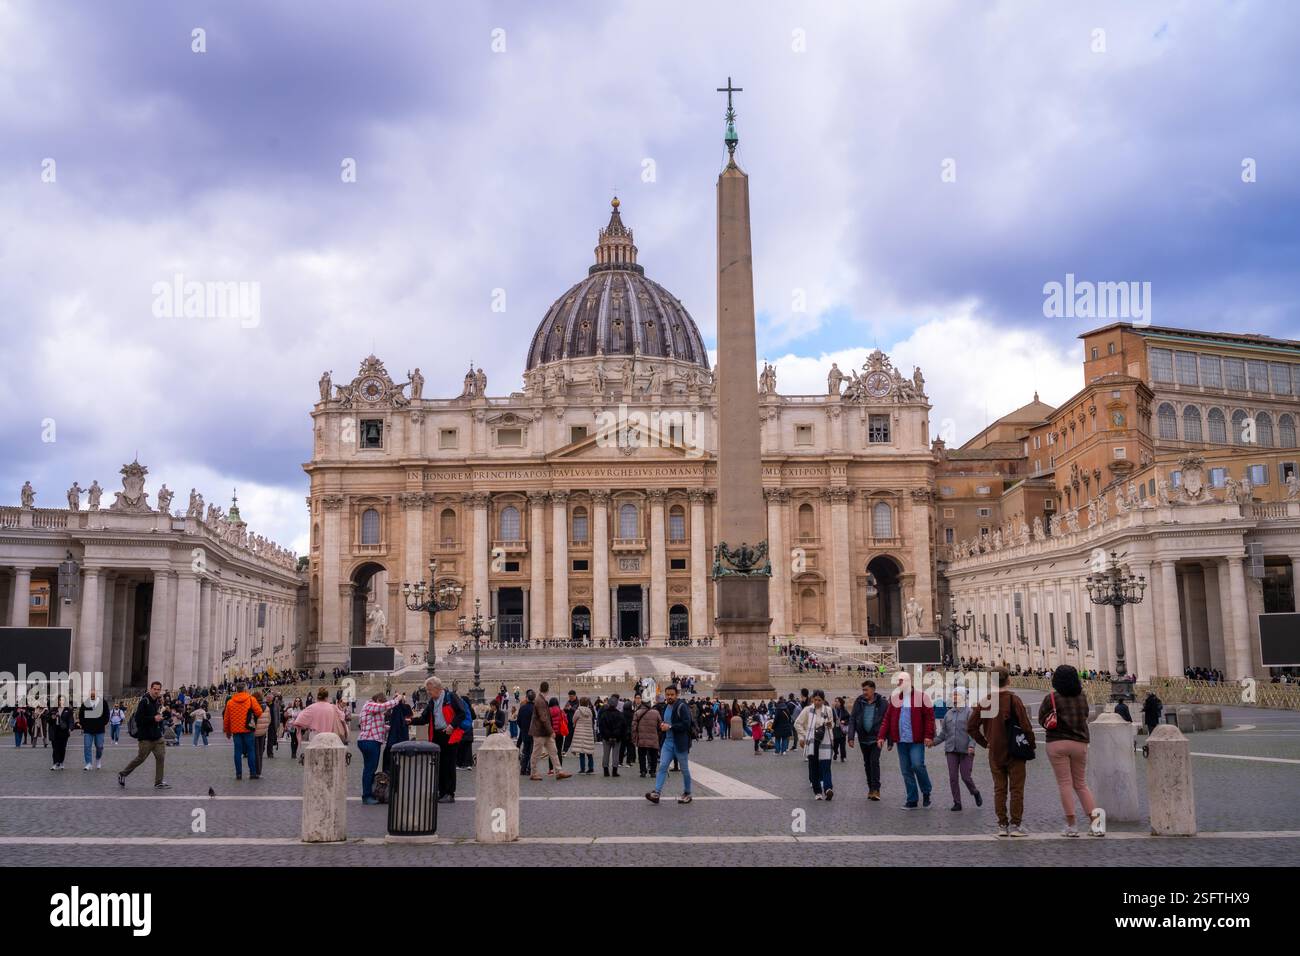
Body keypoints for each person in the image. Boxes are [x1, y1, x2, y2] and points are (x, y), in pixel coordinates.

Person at [968, 667, 1035, 837]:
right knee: (1016, 789)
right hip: (1015, 750)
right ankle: (1015, 825)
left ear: (992, 681)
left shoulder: (985, 701)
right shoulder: (1014, 700)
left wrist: (985, 743)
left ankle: (1002, 825)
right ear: (1009, 680)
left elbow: (971, 727)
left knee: (999, 789)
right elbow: (1026, 726)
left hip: (995, 751)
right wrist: (1031, 745)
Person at [1038, 665, 1103, 837]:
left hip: (1057, 743)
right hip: (1079, 743)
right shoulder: (1082, 698)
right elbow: (1085, 715)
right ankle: (1096, 825)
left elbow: (1041, 719)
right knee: (1081, 784)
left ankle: (1072, 826)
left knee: (1065, 784)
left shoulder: (1051, 697)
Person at [409, 676, 473, 802]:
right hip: (437, 735)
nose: (428, 693)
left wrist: (452, 725)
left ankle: (449, 793)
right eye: (427, 690)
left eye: (429, 690)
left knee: (449, 765)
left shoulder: (451, 697)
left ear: (438, 688)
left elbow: (461, 713)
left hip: (450, 734)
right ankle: (441, 791)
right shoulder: (432, 702)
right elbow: (424, 718)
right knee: (439, 765)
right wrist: (410, 721)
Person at [877, 675, 935, 809]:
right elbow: (887, 719)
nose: (898, 683)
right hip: (901, 740)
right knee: (906, 771)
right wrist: (881, 736)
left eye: (901, 681)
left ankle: (926, 792)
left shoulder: (922, 697)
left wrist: (928, 736)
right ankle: (912, 799)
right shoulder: (895, 699)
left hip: (917, 740)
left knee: (917, 765)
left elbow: (929, 718)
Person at [928, 686, 981, 811]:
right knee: (953, 777)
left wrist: (971, 746)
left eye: (957, 695)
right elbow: (944, 734)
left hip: (966, 750)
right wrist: (933, 742)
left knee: (966, 776)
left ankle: (975, 792)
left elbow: (973, 733)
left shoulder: (970, 713)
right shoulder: (948, 714)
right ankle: (957, 802)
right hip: (951, 750)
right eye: (954, 695)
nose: (954, 697)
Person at [117, 681, 172, 790]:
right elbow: (138, 719)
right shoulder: (144, 701)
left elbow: (160, 716)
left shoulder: (157, 702)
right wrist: (153, 718)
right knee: (140, 758)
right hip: (145, 737)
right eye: (154, 689)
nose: (156, 691)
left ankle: (158, 782)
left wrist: (163, 716)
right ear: (150, 689)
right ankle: (123, 774)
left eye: (158, 689)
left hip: (157, 736)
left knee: (161, 757)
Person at [646, 685, 693, 804]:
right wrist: (662, 725)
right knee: (662, 767)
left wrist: (670, 727)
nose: (669, 697)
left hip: (680, 743)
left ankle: (687, 793)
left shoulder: (682, 706)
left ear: (676, 694)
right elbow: (665, 722)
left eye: (672, 695)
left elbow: (687, 724)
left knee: (684, 769)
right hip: (668, 743)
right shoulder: (666, 707)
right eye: (667, 695)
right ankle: (656, 793)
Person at [358, 692, 401, 805]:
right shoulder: (370, 705)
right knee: (369, 769)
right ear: (377, 700)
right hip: (370, 741)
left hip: (369, 741)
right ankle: (366, 796)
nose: (383, 709)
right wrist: (396, 700)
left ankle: (369, 793)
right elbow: (383, 707)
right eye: (382, 702)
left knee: (369, 768)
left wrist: (392, 728)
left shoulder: (371, 708)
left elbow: (378, 726)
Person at [847, 679, 887, 800]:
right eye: (863, 690)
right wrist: (850, 737)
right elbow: (853, 719)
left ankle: (876, 789)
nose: (864, 692)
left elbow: (887, 720)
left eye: (866, 690)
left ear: (873, 690)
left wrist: (889, 740)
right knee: (867, 763)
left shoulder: (883, 703)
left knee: (874, 762)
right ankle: (870, 788)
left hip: (877, 738)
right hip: (863, 738)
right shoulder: (859, 701)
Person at [794, 690, 836, 800]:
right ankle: (817, 792)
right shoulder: (807, 710)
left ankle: (828, 789)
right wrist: (805, 735)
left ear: (823, 700)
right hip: (812, 742)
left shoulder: (828, 710)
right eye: (815, 700)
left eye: (819, 700)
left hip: (825, 741)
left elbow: (832, 723)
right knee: (814, 766)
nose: (817, 702)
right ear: (812, 699)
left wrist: (830, 724)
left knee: (826, 766)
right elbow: (797, 723)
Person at [527, 681, 571, 782]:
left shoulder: (541, 699)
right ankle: (533, 773)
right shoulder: (540, 700)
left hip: (544, 732)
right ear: (548, 689)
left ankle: (559, 771)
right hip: (540, 732)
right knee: (536, 753)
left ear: (540, 688)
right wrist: (551, 731)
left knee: (553, 751)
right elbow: (544, 718)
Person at [223, 682, 264, 780]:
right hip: (248, 729)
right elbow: (259, 712)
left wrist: (227, 731)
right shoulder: (251, 699)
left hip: (236, 730)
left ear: (237, 690)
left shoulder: (230, 702)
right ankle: (253, 773)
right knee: (251, 751)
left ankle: (238, 774)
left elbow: (226, 718)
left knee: (237, 752)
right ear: (245, 689)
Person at [78, 689, 109, 770]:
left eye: (94, 695)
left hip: (99, 729)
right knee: (87, 747)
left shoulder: (103, 703)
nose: (92, 696)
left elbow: (107, 714)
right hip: (88, 729)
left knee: (99, 746)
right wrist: (83, 725)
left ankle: (98, 759)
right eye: (91, 695)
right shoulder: (85, 703)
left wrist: (103, 723)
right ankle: (88, 763)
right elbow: (81, 715)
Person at [631, 694, 661, 777]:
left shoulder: (637, 712)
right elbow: (660, 726)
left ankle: (643, 771)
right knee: (654, 755)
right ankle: (653, 771)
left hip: (642, 739)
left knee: (642, 756)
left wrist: (634, 738)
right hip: (653, 738)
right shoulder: (656, 713)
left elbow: (633, 727)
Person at [598, 695, 627, 777]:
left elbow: (601, 726)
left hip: (606, 738)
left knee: (606, 754)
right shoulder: (620, 715)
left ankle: (606, 771)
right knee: (616, 754)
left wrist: (606, 735)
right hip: (617, 738)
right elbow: (623, 727)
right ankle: (614, 771)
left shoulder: (604, 714)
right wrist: (618, 736)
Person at [569, 696, 596, 774]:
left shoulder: (578, 711)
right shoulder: (590, 711)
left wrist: (575, 723)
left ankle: (582, 769)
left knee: (581, 752)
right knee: (589, 751)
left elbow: (573, 719)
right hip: (588, 732)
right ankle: (591, 768)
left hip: (580, 732)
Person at [49, 697, 74, 770]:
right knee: (55, 748)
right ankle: (55, 763)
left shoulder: (68, 710)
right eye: (60, 700)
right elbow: (48, 719)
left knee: (62, 748)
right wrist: (52, 718)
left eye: (63, 700)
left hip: (64, 731)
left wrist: (70, 728)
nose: (61, 701)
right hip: (55, 730)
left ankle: (61, 761)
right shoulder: (53, 709)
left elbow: (71, 720)